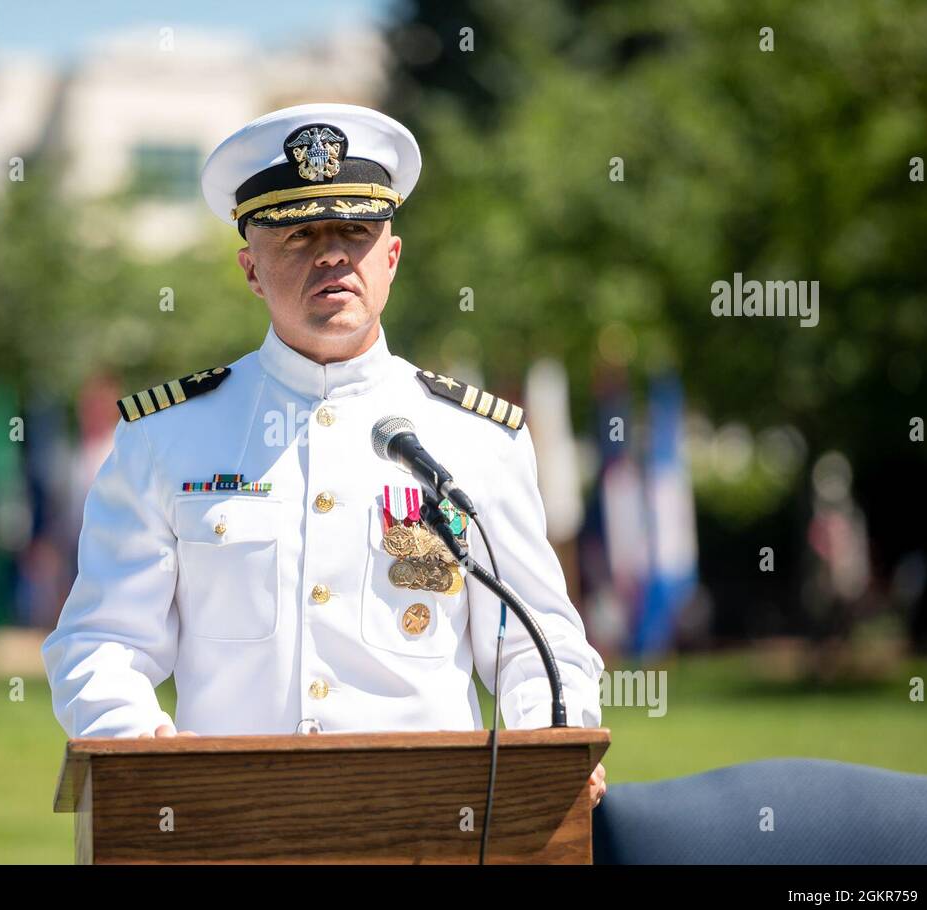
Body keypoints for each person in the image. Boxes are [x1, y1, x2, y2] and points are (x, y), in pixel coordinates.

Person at [42, 103, 607, 807]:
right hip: (226, 826)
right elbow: (100, 641)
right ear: (250, 268)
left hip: (431, 830)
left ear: (391, 259)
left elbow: (538, 644)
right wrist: (137, 748)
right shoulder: (165, 439)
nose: (333, 254)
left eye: (355, 231)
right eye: (301, 234)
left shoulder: (476, 442)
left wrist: (550, 751)